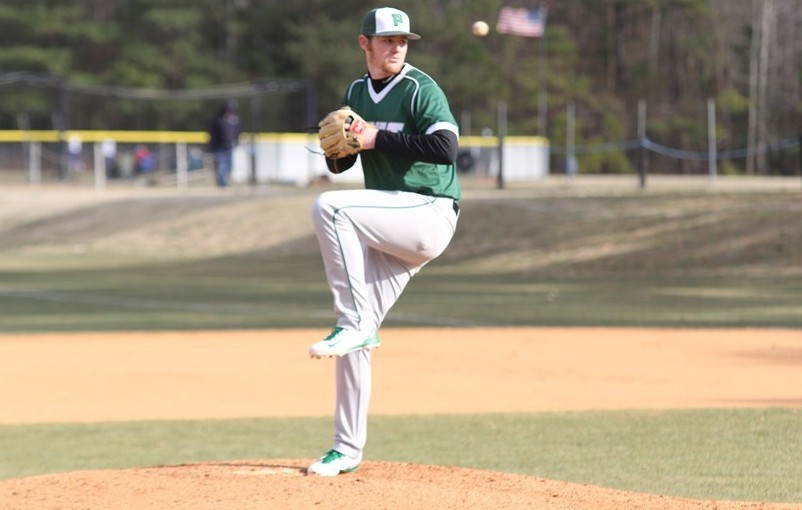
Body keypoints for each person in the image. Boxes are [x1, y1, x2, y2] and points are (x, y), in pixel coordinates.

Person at [307, 6, 461, 477]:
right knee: (355, 335)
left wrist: (374, 139)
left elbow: (446, 148)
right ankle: (346, 449)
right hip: (388, 219)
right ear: (364, 44)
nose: (396, 47)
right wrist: (339, 152)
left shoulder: (419, 88)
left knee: (330, 208)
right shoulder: (357, 91)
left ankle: (355, 321)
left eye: (403, 40)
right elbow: (347, 160)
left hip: (428, 210)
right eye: (387, 40)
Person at [207, 101, 240, 187]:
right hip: (219, 147)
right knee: (221, 166)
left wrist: (236, 141)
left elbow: (237, 133)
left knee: (229, 167)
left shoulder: (234, 121)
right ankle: (222, 185)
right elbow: (212, 134)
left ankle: (225, 183)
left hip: (229, 147)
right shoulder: (218, 121)